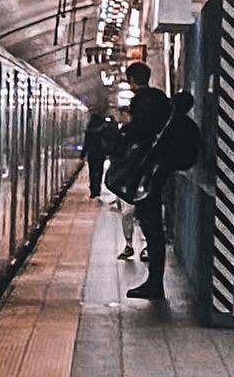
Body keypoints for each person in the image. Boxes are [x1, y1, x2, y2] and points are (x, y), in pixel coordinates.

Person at [124, 89, 200, 302]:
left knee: (154, 234)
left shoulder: (167, 127)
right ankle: (153, 282)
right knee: (154, 234)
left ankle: (154, 284)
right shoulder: (184, 126)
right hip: (158, 183)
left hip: (152, 185)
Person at [112, 63, 170, 260]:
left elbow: (139, 130)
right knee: (154, 211)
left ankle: (140, 251)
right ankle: (151, 253)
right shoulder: (161, 98)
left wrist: (124, 135)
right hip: (161, 163)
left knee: (138, 209)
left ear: (132, 81)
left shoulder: (139, 101)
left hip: (142, 164)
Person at [81, 104, 117, 206]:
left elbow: (86, 143)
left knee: (92, 171)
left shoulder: (89, 130)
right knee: (99, 171)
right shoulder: (104, 128)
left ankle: (93, 190)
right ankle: (98, 188)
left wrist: (82, 155)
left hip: (92, 154)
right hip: (101, 153)